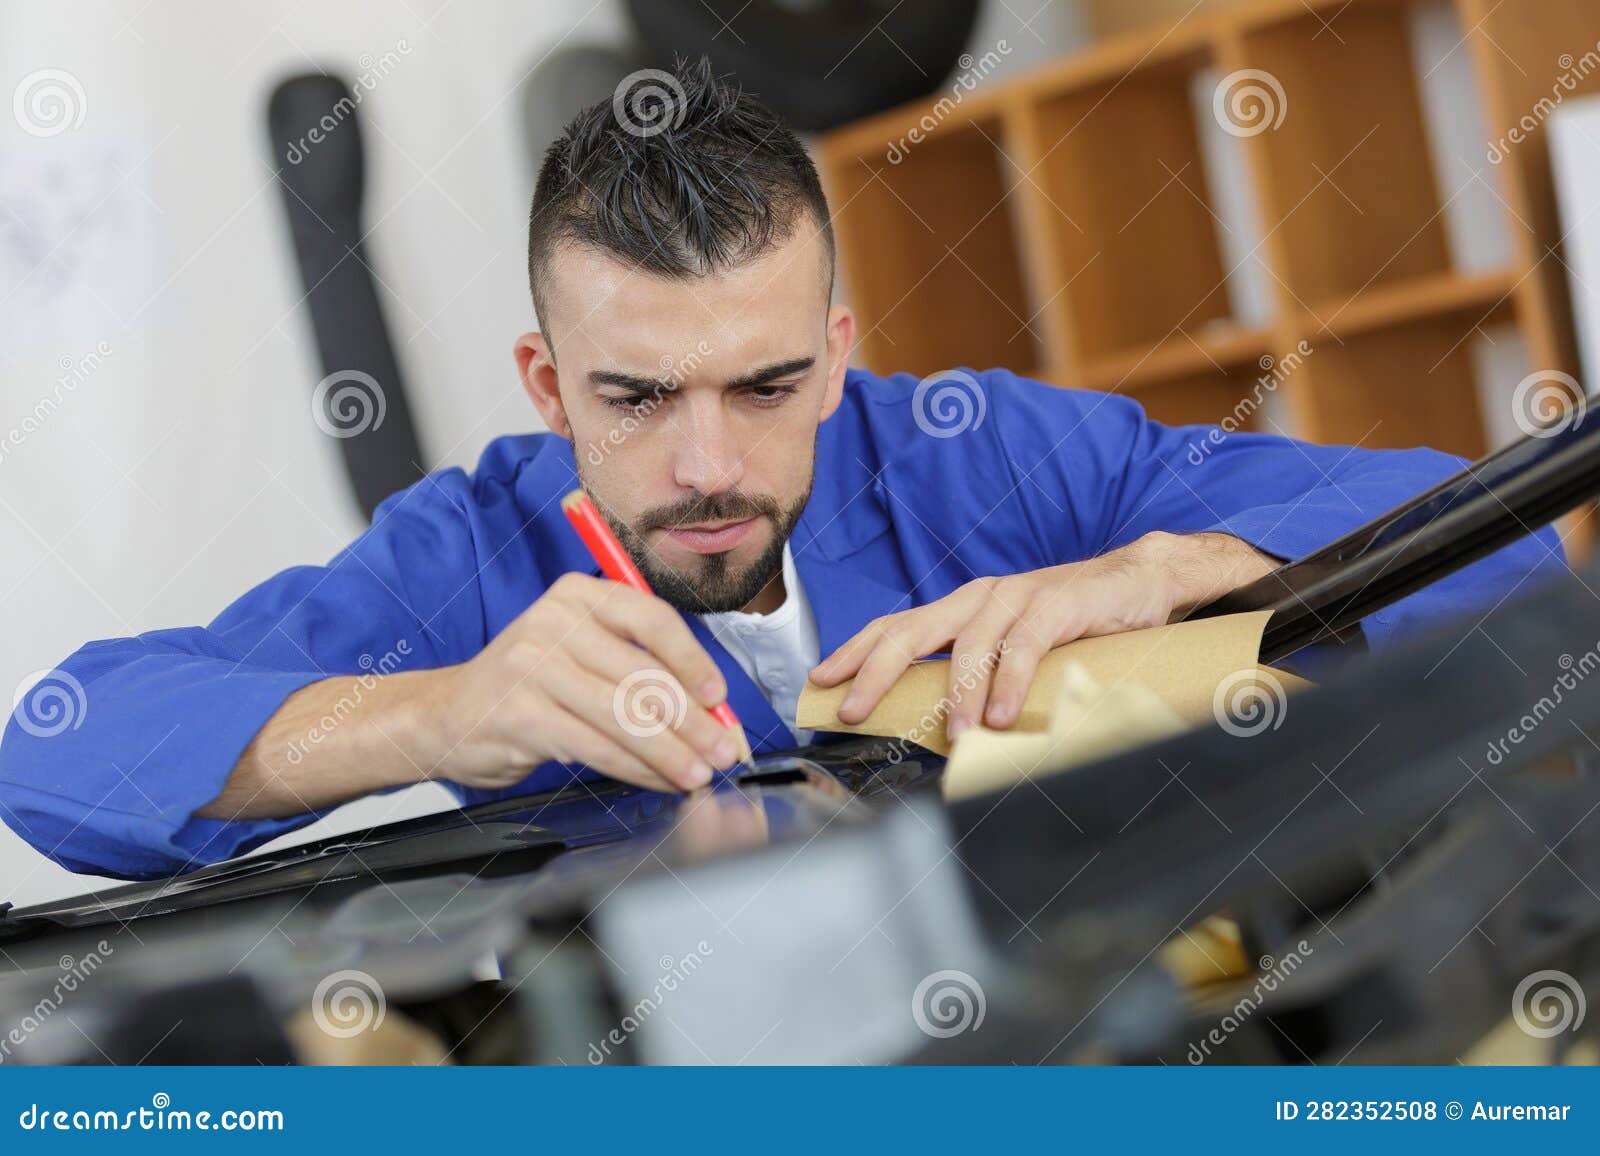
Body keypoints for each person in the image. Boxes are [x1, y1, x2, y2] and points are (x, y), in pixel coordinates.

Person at [0, 59, 1563, 880]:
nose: (707, 466)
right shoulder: (466, 560)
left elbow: (1493, 545)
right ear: (547, 384)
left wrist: (1184, 570)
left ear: (835, 347)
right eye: (632, 397)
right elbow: (58, 757)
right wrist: (432, 712)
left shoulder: (979, 457)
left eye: (766, 387)